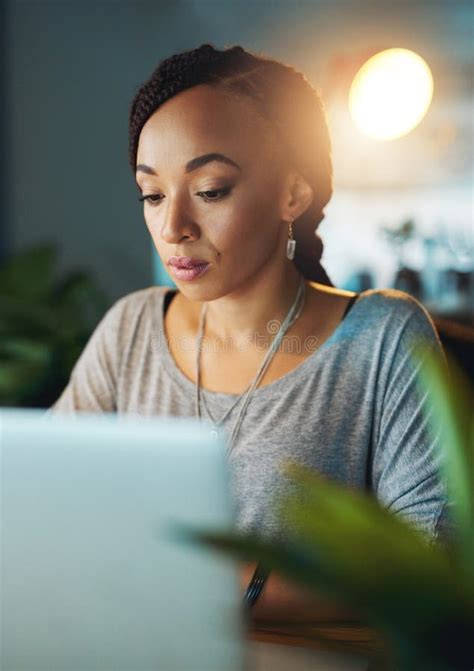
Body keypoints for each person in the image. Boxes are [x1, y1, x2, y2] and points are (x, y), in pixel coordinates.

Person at [49, 43, 451, 626]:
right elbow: (45, 504)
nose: (172, 227)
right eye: (152, 194)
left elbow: (429, 566)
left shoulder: (382, 336)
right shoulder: (131, 329)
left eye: (210, 190)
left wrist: (192, 587)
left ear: (293, 192)